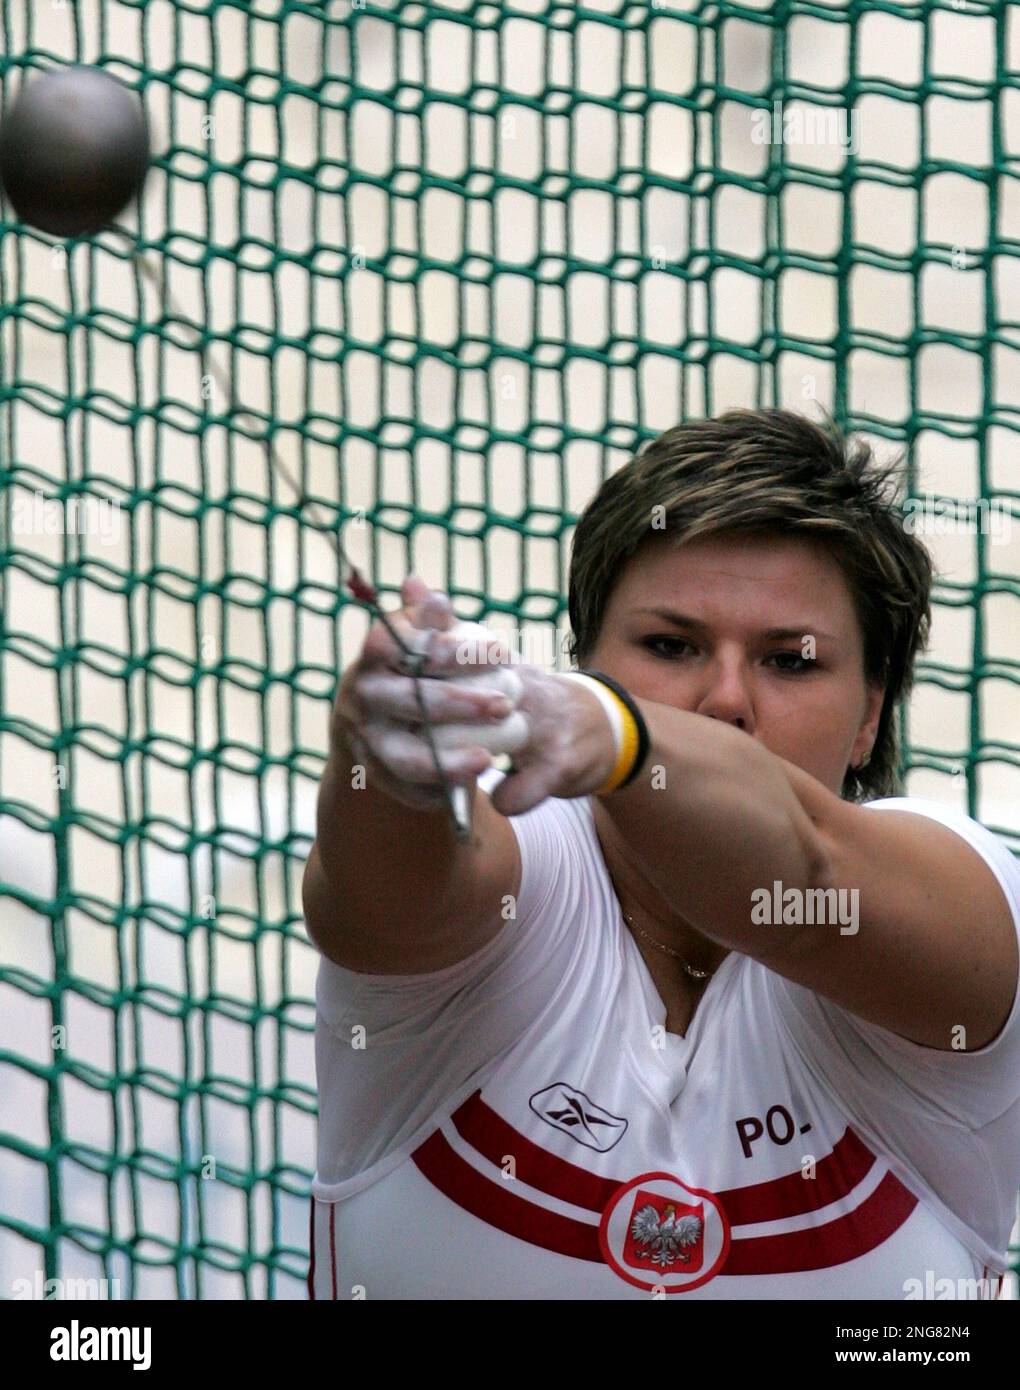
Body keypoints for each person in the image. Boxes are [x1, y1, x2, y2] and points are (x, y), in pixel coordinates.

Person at [302, 408, 1020, 1300]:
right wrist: (388, 752)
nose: (725, 701)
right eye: (669, 646)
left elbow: (797, 873)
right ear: (582, 661)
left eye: (791, 661)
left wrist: (622, 735)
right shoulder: (512, 876)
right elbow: (381, 900)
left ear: (872, 713)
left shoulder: (956, 894)